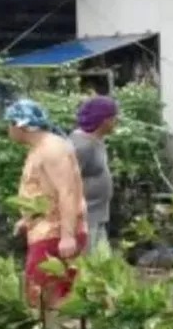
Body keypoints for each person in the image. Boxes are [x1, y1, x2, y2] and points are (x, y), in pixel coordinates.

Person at [7, 99, 88, 312]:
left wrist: (68, 235)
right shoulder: (41, 147)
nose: (8, 130)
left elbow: (67, 191)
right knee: (40, 294)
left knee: (49, 296)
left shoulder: (52, 149)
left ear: (20, 125)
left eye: (10, 124)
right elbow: (46, 192)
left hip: (55, 233)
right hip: (45, 230)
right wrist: (28, 218)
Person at [71, 95, 119, 253]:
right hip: (85, 219)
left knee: (104, 266)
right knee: (89, 267)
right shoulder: (82, 146)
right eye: (114, 117)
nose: (116, 121)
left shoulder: (97, 141)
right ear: (104, 120)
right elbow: (67, 182)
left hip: (97, 216)